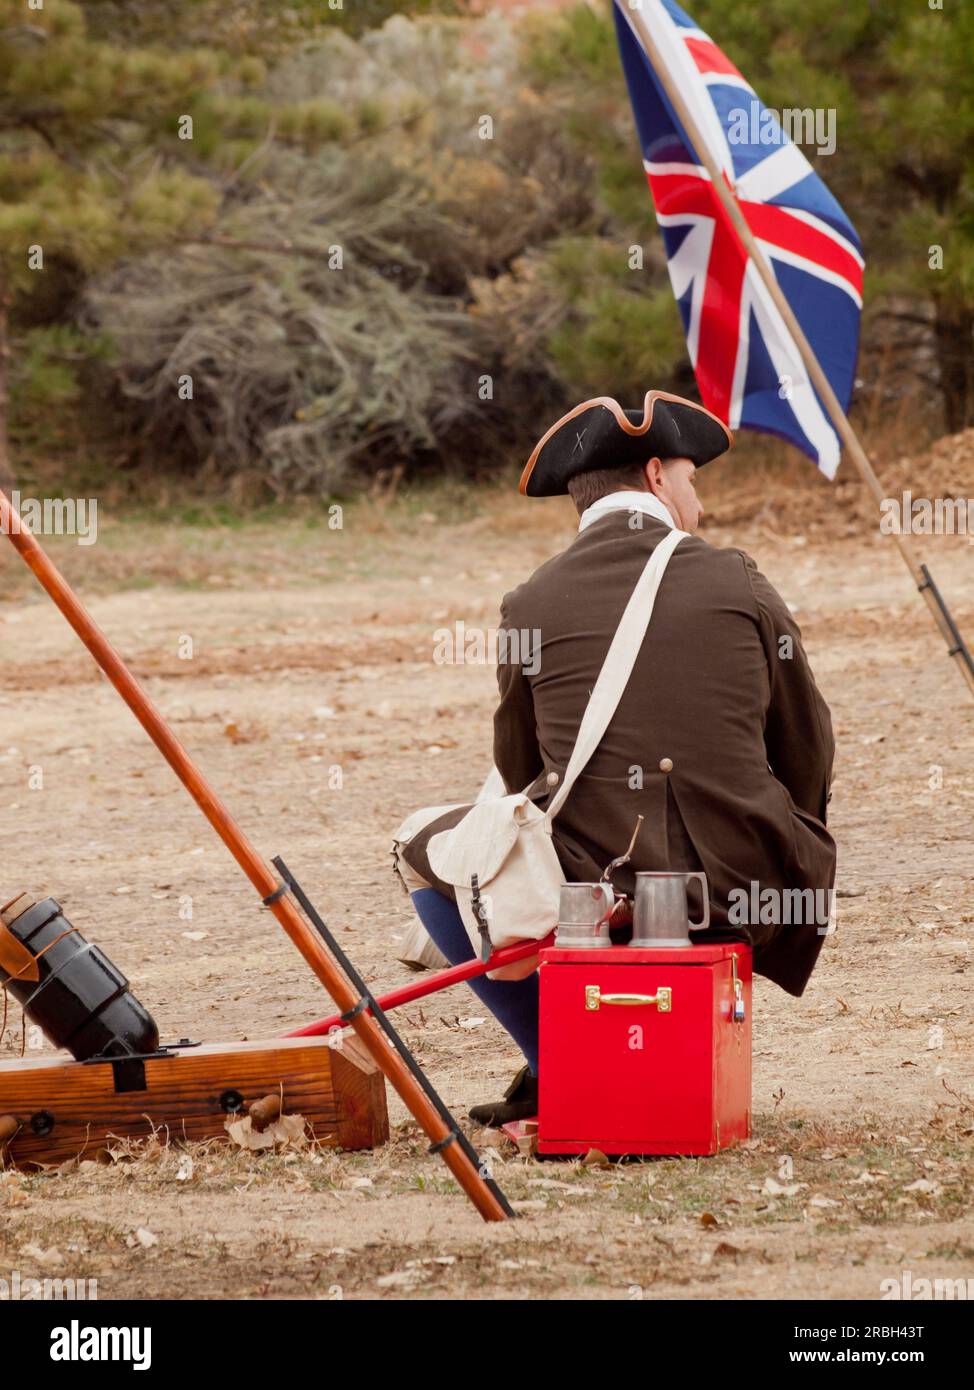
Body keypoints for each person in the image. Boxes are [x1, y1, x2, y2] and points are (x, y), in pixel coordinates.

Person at [395, 390, 836, 1126]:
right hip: (751, 884)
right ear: (658, 477)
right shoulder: (739, 578)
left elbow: (516, 776)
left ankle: (557, 1061)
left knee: (420, 848)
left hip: (598, 893)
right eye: (692, 479)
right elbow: (807, 743)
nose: (698, 499)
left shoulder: (530, 601)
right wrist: (789, 840)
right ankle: (583, 1061)